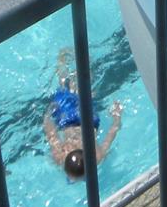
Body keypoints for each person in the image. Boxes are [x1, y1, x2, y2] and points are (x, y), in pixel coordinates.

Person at [43, 48, 124, 179]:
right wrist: (48, 114)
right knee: (67, 87)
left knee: (83, 88)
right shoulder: (59, 157)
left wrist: (117, 117)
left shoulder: (97, 157)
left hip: (89, 121)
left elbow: (113, 132)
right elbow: (50, 131)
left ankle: (69, 60)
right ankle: (64, 61)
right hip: (67, 120)